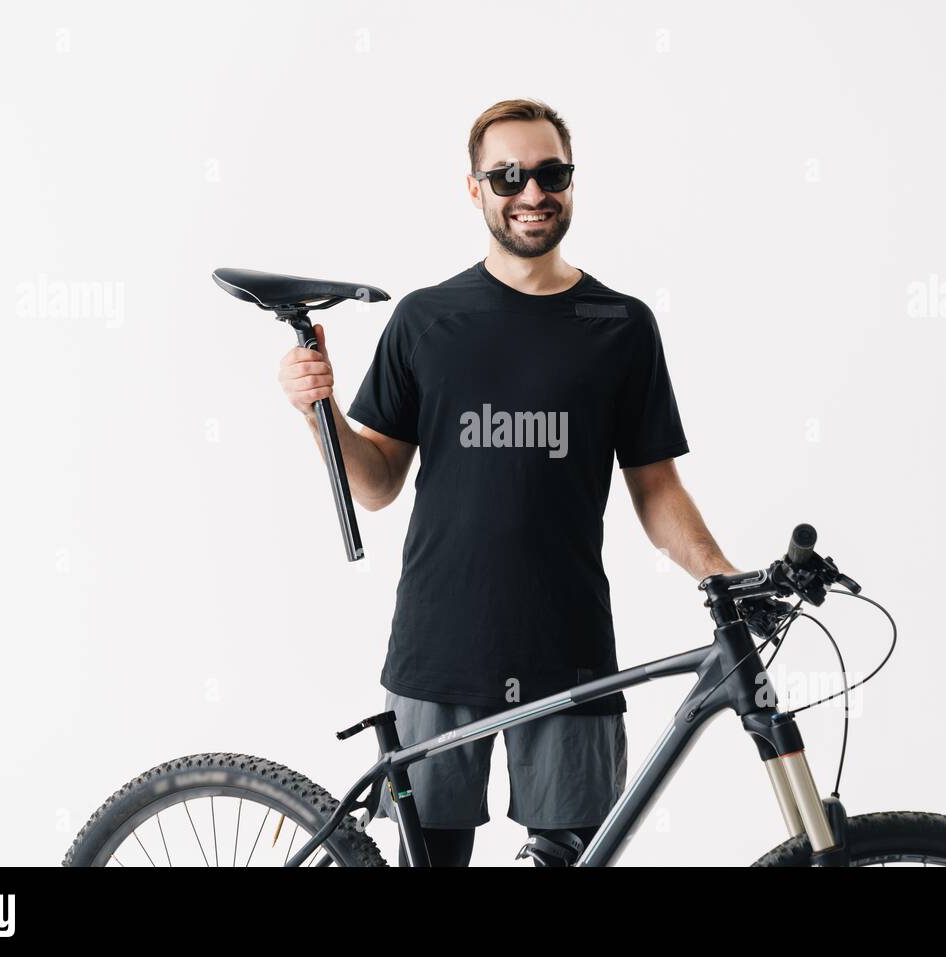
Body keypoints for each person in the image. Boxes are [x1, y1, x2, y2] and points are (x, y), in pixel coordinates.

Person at [277, 99, 739, 866]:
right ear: (475, 189)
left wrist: (721, 574)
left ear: (572, 181)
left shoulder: (621, 324)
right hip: (439, 648)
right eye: (508, 175)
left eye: (549, 172)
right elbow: (377, 483)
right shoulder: (427, 319)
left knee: (575, 855)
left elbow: (655, 489)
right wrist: (316, 409)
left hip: (571, 650)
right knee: (434, 858)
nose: (531, 191)